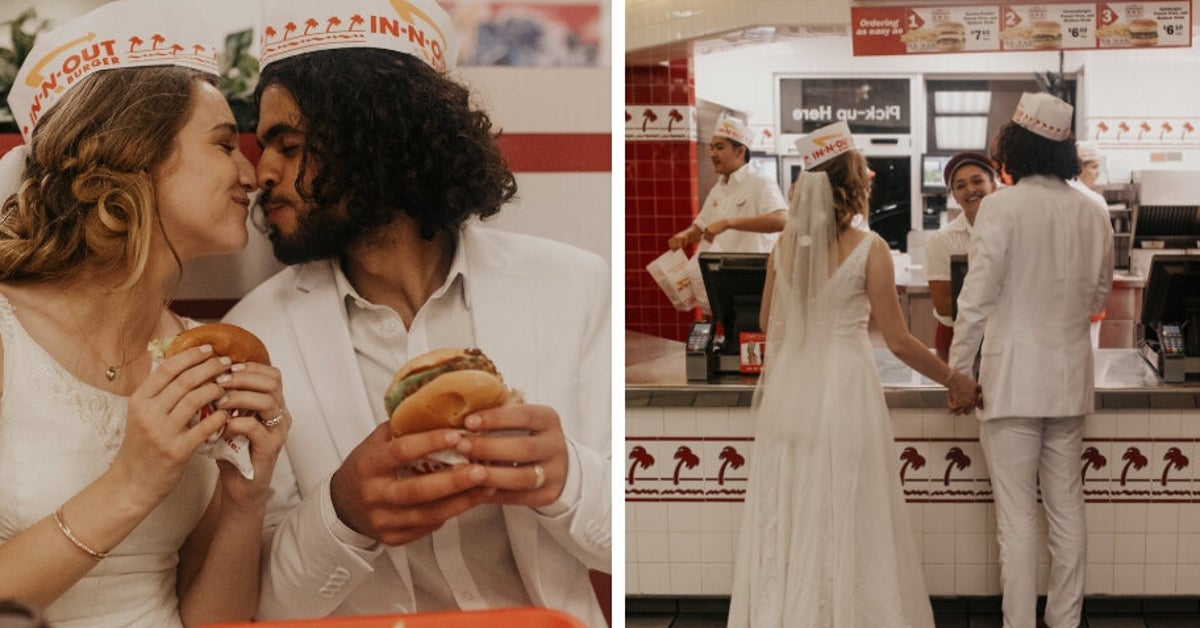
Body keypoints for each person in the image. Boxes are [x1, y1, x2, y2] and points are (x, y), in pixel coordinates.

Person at [221, 0, 610, 624]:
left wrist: (566, 479)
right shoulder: (253, 336)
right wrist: (342, 516)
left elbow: (625, 547)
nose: (260, 172)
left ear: (378, 138)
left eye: (287, 145)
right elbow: (257, 603)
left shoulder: (574, 287)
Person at [0, 2, 289, 627]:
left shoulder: (202, 356)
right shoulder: (6, 337)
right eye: (224, 144)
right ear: (134, 154)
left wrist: (245, 497)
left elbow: (213, 621)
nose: (251, 174)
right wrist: (133, 482)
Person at [727, 121, 979, 627]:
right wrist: (956, 380)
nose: (869, 177)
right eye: (863, 171)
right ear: (851, 185)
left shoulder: (783, 249)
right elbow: (900, 340)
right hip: (845, 388)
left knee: (794, 504)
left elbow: (767, 322)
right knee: (848, 503)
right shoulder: (870, 248)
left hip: (792, 391)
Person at [949, 92, 1114, 628]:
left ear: (1015, 146)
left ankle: (1018, 622)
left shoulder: (1001, 206)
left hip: (1011, 381)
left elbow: (975, 299)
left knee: (1017, 517)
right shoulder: (1093, 209)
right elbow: (1099, 296)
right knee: (1066, 508)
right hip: (1068, 379)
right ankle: (1065, 620)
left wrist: (958, 373)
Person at [667, 114, 786, 253]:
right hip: (718, 266)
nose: (712, 154)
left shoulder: (760, 182)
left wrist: (728, 223)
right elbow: (701, 227)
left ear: (740, 151)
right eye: (712, 148)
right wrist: (686, 236)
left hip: (750, 266)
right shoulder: (719, 188)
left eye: (719, 147)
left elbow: (781, 220)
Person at [924, 151, 999, 361]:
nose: (971, 189)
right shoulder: (942, 240)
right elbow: (944, 305)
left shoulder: (1012, 232)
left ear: (994, 186)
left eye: (977, 181)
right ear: (955, 197)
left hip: (1003, 335)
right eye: (960, 186)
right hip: (956, 336)